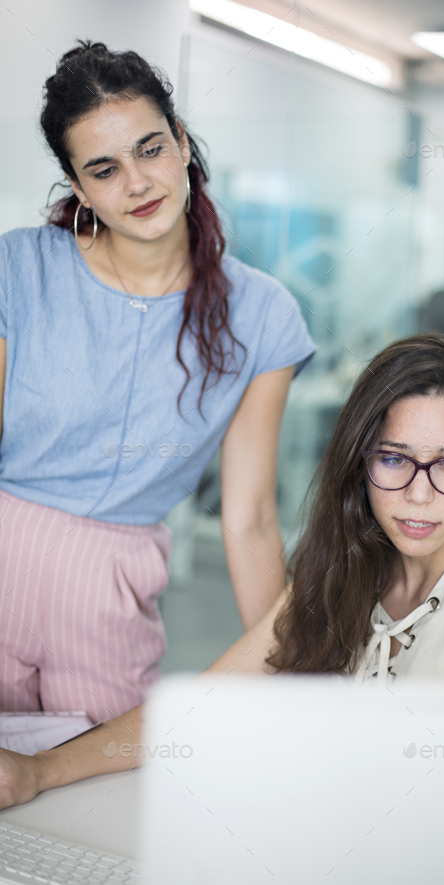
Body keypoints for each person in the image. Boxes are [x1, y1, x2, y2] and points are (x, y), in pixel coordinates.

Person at [0, 333, 444, 809]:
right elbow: (202, 707)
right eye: (393, 458)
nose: (419, 495)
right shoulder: (353, 567)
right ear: (360, 461)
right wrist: (39, 772)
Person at [0, 42, 316, 723]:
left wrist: (293, 680)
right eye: (104, 169)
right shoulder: (17, 269)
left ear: (182, 145)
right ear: (78, 187)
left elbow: (252, 517)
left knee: (107, 795)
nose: (138, 183)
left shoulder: (262, 315)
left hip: (112, 595)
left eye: (150, 149)